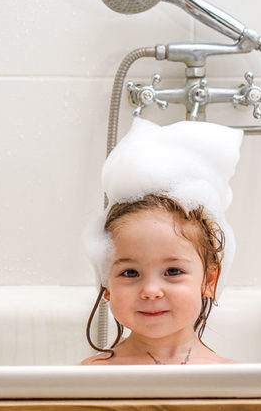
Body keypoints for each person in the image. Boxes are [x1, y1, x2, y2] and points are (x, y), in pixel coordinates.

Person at [81, 118, 242, 365]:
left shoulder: (231, 376)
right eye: (130, 272)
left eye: (173, 271)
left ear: (209, 280)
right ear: (106, 285)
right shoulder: (96, 373)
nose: (151, 291)